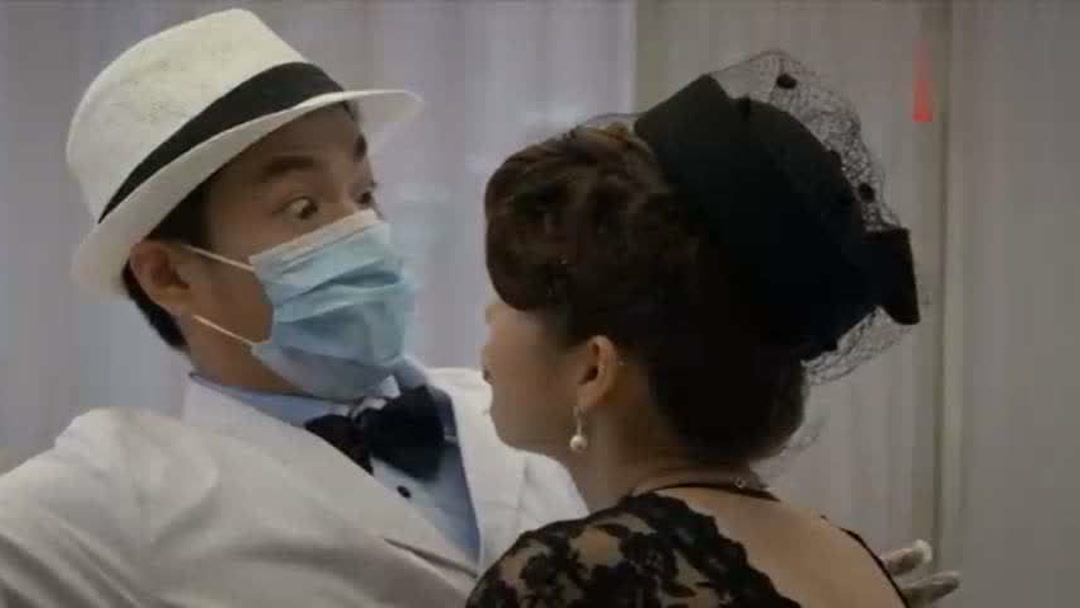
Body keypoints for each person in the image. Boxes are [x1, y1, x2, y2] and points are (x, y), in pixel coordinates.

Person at [0, 10, 953, 608]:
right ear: (168, 275)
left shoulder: (530, 406)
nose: (364, 230)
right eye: (303, 209)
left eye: (363, 192)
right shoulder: (111, 495)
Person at [469, 51, 954, 607]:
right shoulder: (853, 562)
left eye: (511, 299)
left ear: (593, 370)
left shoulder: (566, 577)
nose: (489, 315)